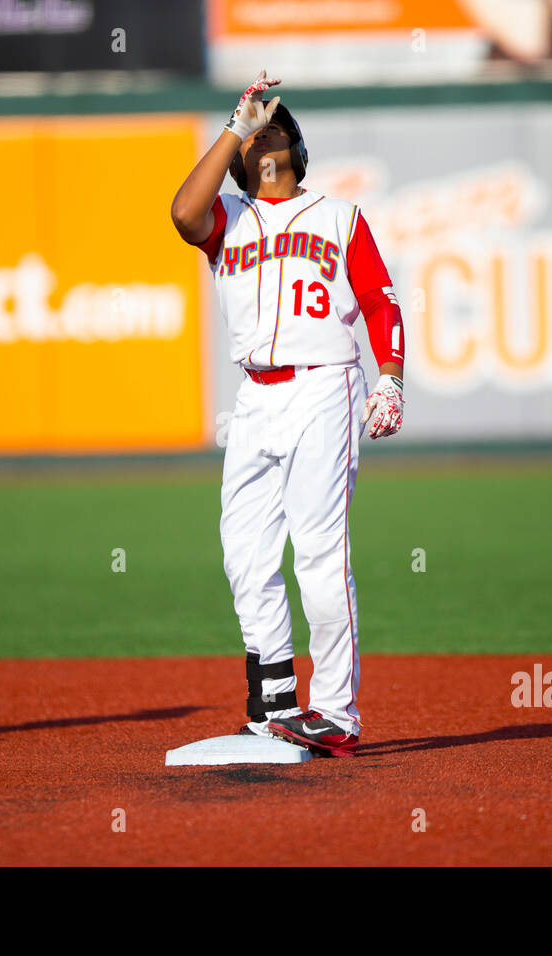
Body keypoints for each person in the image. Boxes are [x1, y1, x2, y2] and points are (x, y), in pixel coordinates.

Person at [170, 72, 406, 757]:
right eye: (257, 132)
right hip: (254, 397)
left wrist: (390, 377)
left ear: (297, 148)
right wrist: (235, 126)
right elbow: (182, 214)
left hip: (323, 386)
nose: (265, 136)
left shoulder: (339, 216)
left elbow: (381, 301)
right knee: (244, 553)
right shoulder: (227, 218)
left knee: (319, 554)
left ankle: (335, 712)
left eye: (276, 128)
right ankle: (273, 699)